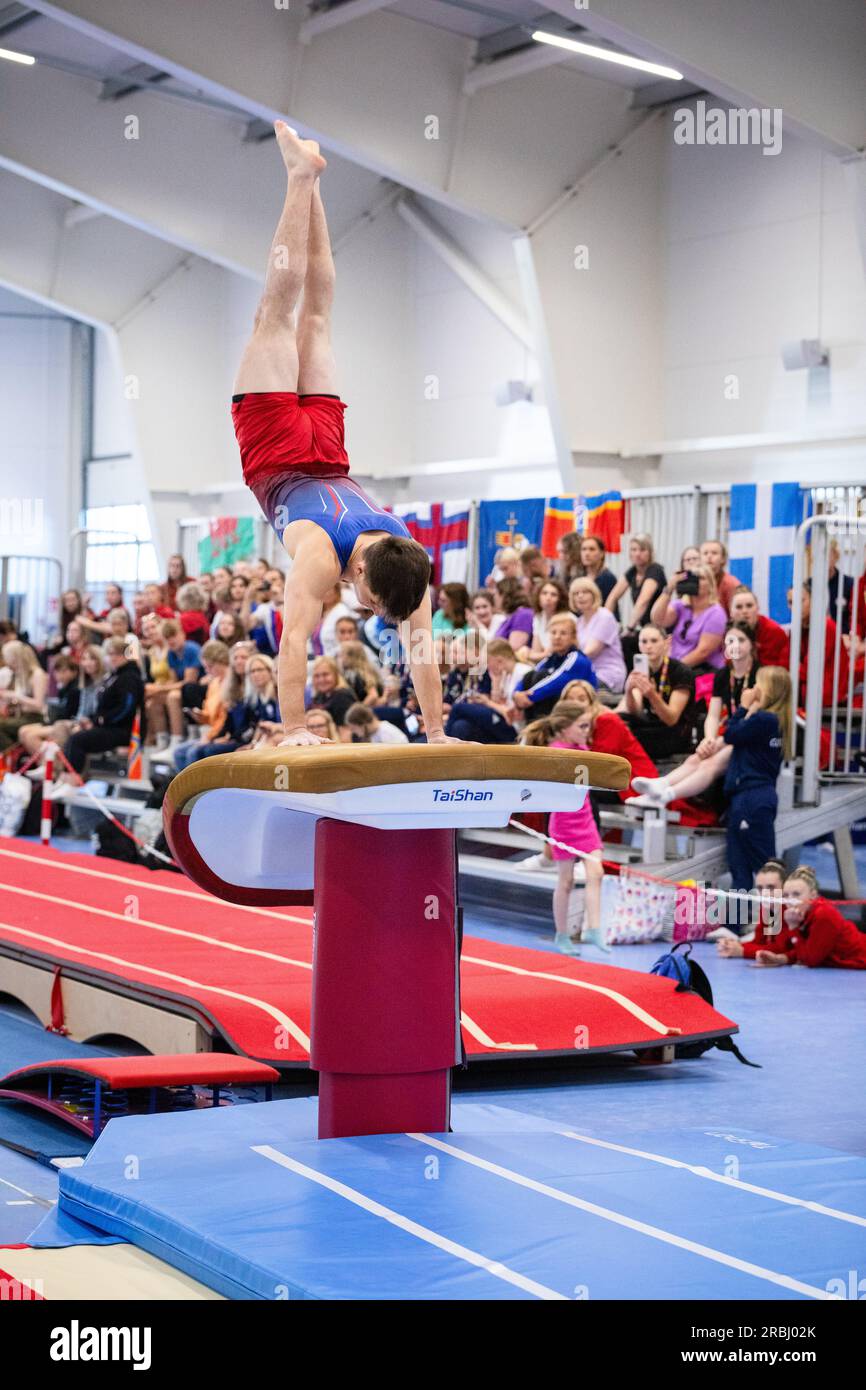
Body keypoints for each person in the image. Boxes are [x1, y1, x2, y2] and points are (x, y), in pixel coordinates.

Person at [231, 123, 446, 746]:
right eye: (375, 602)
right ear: (363, 572)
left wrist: (435, 735)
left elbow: (422, 648)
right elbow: (292, 639)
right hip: (280, 454)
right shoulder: (325, 556)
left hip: (327, 454)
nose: (376, 610)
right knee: (281, 315)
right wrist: (294, 727)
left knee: (316, 319)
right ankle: (302, 178)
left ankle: (312, 179)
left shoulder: (406, 560)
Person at [524, 703, 607, 956]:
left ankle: (593, 928)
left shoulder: (584, 748)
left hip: (586, 820)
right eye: (582, 726)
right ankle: (562, 934)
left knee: (597, 872)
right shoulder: (555, 752)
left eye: (588, 726)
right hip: (563, 823)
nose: (587, 731)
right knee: (566, 881)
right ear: (563, 728)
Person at [722, 666, 792, 891]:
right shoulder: (779, 721)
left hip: (750, 799)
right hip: (757, 797)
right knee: (742, 871)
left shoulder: (764, 719)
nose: (753, 689)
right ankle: (736, 926)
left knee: (763, 872)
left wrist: (742, 707)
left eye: (758, 685)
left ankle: (775, 925)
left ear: (769, 690)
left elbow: (730, 734)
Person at [737, 865, 866, 969]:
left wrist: (793, 928)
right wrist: (783, 958)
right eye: (786, 896)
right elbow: (803, 948)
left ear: (813, 895)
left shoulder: (824, 915)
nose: (790, 900)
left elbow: (810, 959)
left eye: (796, 894)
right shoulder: (795, 912)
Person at [63, 637, 144, 775]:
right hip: (108, 725)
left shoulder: (129, 677)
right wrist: (92, 720)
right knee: (70, 734)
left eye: (117, 654)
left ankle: (73, 778)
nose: (113, 658)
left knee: (77, 740)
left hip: (121, 729)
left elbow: (126, 708)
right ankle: (61, 774)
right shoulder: (113, 676)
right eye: (110, 654)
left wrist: (101, 721)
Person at [617, 623, 695, 763]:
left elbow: (671, 719)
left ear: (666, 643)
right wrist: (629, 691)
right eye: (644, 642)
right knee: (619, 721)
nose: (648, 646)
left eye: (654, 641)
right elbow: (635, 711)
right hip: (649, 725)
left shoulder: (681, 672)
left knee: (627, 737)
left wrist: (652, 695)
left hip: (675, 731)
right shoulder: (639, 670)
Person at [511, 614, 597, 721]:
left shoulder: (577, 659)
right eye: (553, 633)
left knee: (542, 678)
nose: (557, 637)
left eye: (563, 633)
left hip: (580, 710)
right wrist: (517, 694)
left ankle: (539, 728)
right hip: (558, 706)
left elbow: (555, 682)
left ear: (573, 637)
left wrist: (527, 698)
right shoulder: (551, 658)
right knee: (532, 675)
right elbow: (528, 676)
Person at [445, 638, 530, 744]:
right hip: (504, 722)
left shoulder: (523, 672)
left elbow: (512, 713)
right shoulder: (505, 675)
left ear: (499, 660)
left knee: (458, 708)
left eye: (487, 662)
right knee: (461, 726)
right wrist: (496, 682)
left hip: (516, 728)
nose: (487, 667)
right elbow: (499, 705)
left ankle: (442, 748)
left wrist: (487, 702)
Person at [650, 564, 726, 671]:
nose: (696, 581)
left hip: (702, 670)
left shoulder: (716, 613)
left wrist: (674, 669)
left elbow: (703, 652)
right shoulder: (681, 605)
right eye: (693, 578)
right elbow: (657, 619)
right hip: (676, 665)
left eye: (701, 578)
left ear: (711, 585)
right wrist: (669, 588)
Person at [171, 641, 232, 770]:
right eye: (205, 667)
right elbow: (209, 716)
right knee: (179, 752)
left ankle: (196, 789)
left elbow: (226, 719)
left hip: (223, 733)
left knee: (194, 752)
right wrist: (199, 715)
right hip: (212, 731)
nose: (207, 671)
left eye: (210, 666)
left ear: (221, 662)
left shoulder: (232, 683)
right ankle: (184, 789)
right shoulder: (214, 683)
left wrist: (209, 737)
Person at [716, 859, 791, 956]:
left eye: (771, 887)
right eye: (760, 888)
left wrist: (742, 951)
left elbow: (780, 949)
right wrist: (735, 945)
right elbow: (759, 941)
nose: (765, 894)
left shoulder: (788, 911)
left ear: (785, 888)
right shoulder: (767, 908)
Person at [605, 534, 666, 643]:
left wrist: (629, 628)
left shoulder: (655, 570)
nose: (637, 554)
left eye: (642, 550)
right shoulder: (632, 571)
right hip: (645, 628)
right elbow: (613, 597)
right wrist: (604, 623)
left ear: (650, 552)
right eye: (634, 550)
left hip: (660, 629)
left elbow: (643, 601)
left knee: (625, 643)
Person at [570, 577, 626, 693]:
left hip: (607, 674)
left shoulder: (604, 616)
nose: (580, 596)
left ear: (594, 595)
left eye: (585, 592)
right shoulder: (578, 622)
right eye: (576, 593)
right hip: (586, 673)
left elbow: (590, 652)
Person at [0, 640, 49, 751]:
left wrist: (15, 696)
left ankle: (9, 757)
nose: (8, 664)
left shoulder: (37, 674)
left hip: (35, 717)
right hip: (20, 716)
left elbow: (39, 705)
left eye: (10, 660)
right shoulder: (18, 675)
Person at [728, 586, 789, 668]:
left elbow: (776, 670)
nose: (744, 611)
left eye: (749, 606)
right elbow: (728, 662)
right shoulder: (728, 632)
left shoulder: (774, 632)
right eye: (739, 607)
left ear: (757, 608)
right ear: (731, 612)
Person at [493, 578, 535, 653]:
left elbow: (514, 647)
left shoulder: (523, 614)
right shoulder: (510, 616)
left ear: (504, 595)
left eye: (496, 594)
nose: (494, 598)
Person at [700, 540, 741, 614]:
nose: (709, 556)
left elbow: (737, 615)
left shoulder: (730, 583)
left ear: (723, 559)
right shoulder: (695, 581)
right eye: (705, 553)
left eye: (714, 553)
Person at [578, 535, 618, 610]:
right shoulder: (579, 577)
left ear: (602, 553)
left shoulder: (608, 578)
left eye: (592, 549)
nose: (587, 553)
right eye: (583, 549)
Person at [345, 703, 409, 745]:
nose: (355, 733)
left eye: (354, 728)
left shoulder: (385, 732)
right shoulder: (373, 734)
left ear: (362, 723)